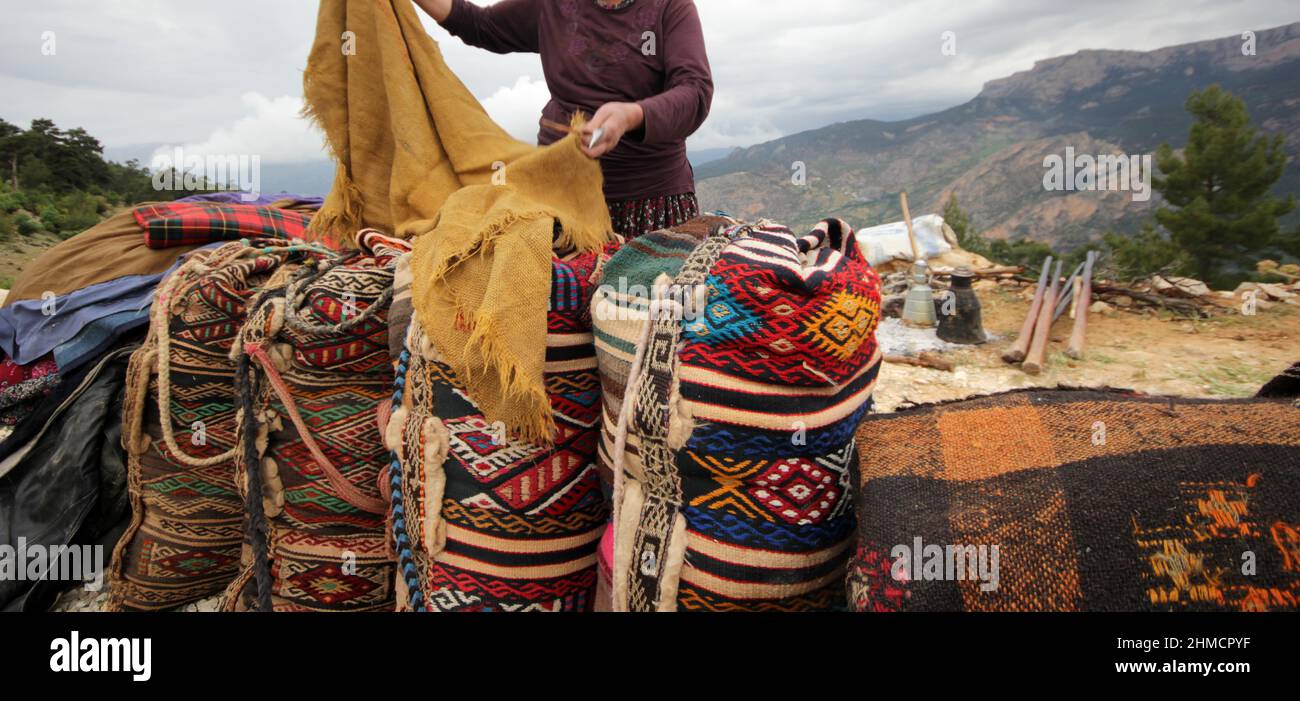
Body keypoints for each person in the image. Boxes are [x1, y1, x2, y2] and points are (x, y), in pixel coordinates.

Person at [415, 0, 713, 239]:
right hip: (557, 200)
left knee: (638, 308)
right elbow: (480, 24)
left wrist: (631, 115)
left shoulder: (671, 8)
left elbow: (695, 91)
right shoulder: (553, 6)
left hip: (648, 204)